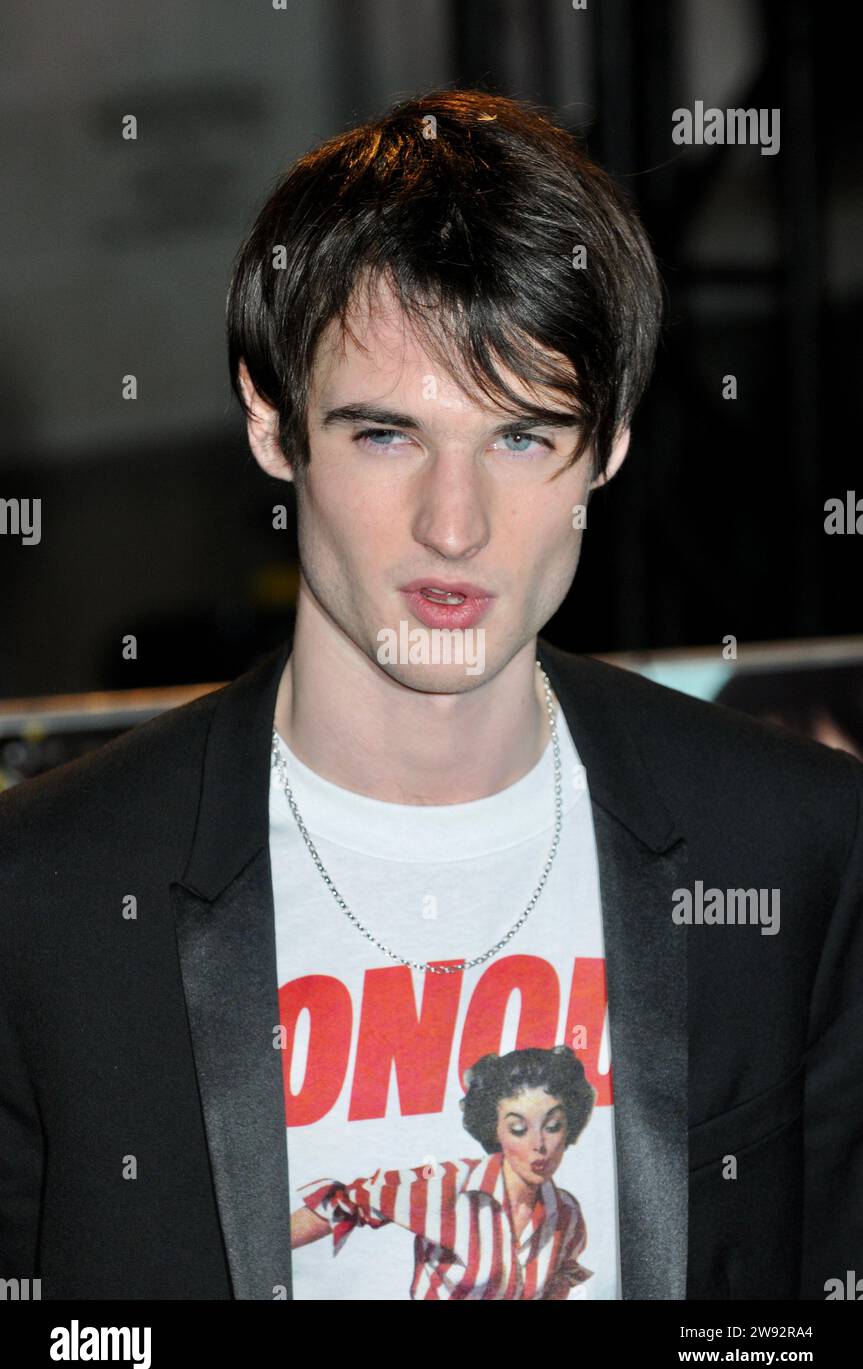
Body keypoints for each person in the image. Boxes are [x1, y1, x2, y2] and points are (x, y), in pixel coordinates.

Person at [0, 88, 861, 1302]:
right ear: (270, 419)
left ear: (608, 442)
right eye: (384, 435)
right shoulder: (48, 898)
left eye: (519, 438)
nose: (450, 527)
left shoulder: (799, 848)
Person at [290, 1046, 596, 1300]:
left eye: (552, 1126)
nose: (539, 1145)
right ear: (495, 1130)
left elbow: (559, 1283)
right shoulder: (447, 1186)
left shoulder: (567, 1215)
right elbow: (348, 1201)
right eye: (518, 1129)